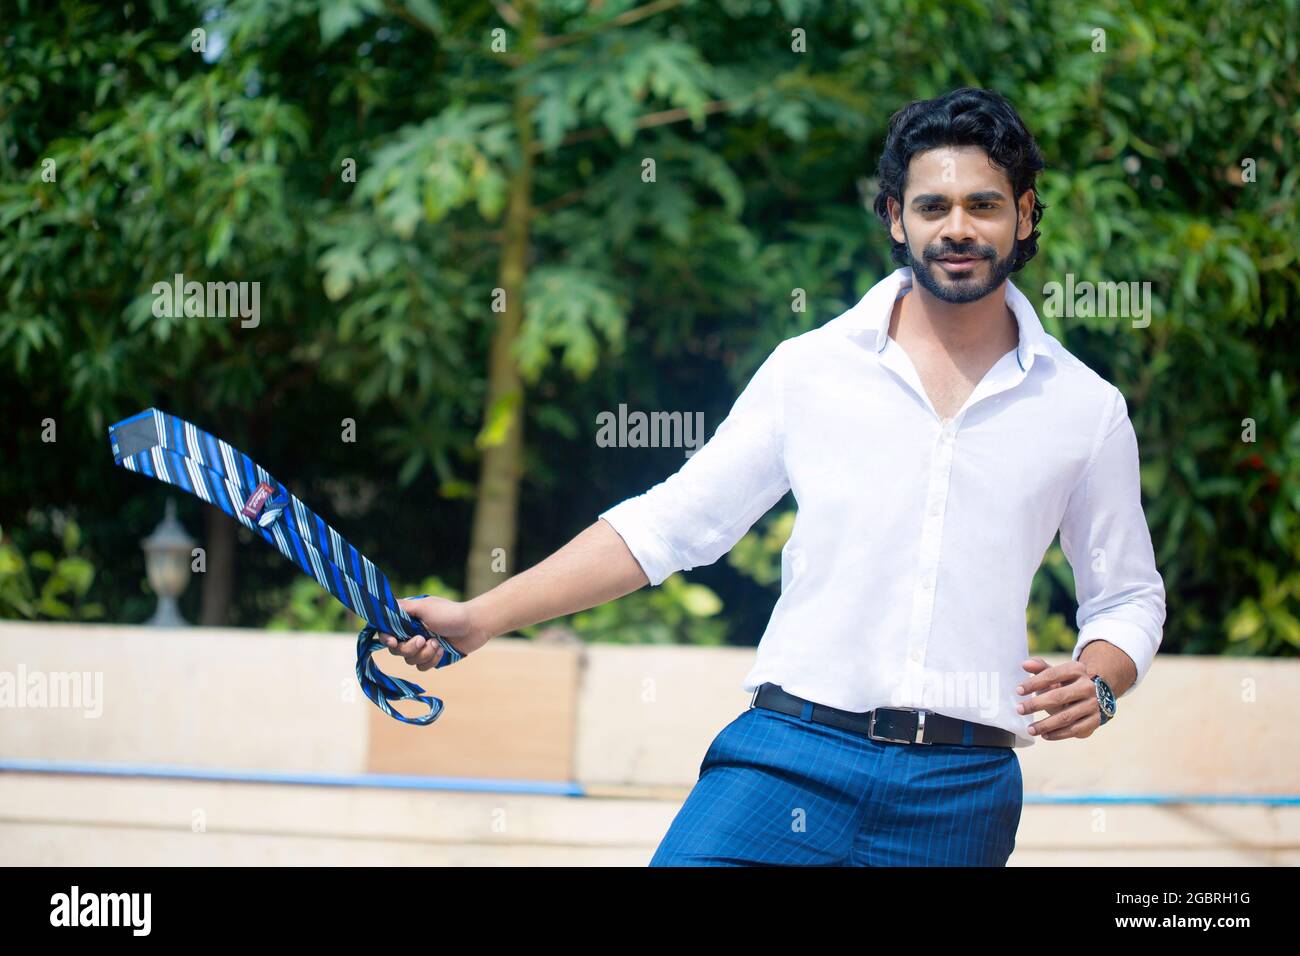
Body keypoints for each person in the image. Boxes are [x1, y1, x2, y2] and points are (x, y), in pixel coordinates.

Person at [377, 87, 1166, 866]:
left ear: (1025, 215)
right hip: (788, 755)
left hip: (961, 789)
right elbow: (670, 525)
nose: (957, 228)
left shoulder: (1083, 408)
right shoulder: (810, 370)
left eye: (983, 205)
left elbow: (1128, 596)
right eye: (933, 207)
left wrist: (1099, 679)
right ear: (896, 217)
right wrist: (481, 618)